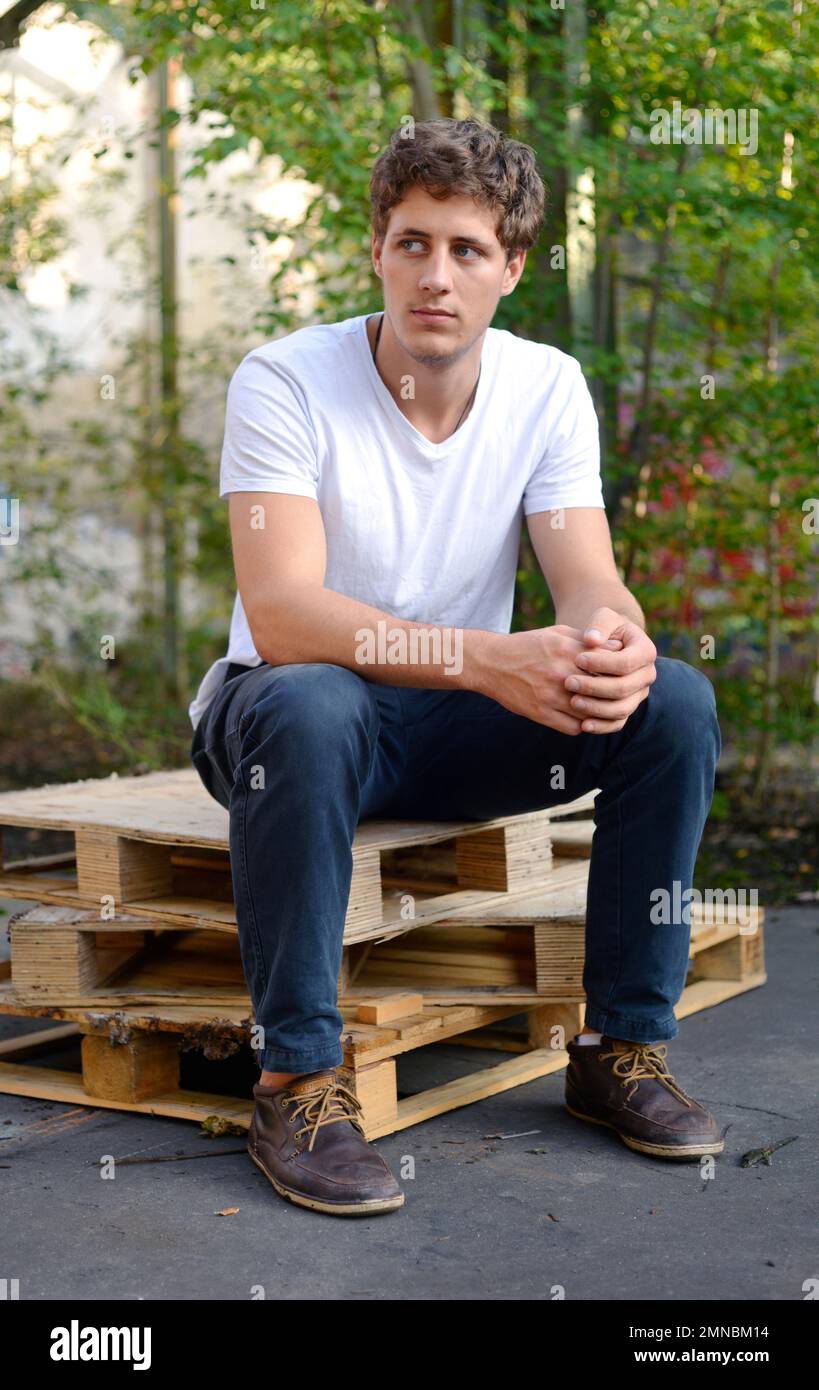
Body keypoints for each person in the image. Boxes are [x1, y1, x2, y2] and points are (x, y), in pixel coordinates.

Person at [189, 117, 724, 1218]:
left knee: (673, 699)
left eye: (468, 250)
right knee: (308, 699)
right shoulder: (283, 379)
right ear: (376, 249)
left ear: (513, 266)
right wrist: (488, 658)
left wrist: (615, 635)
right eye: (414, 243)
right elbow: (283, 615)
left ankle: (621, 1045)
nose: (438, 275)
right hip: (288, 723)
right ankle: (295, 1078)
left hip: (450, 729)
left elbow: (586, 577)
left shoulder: (548, 386)